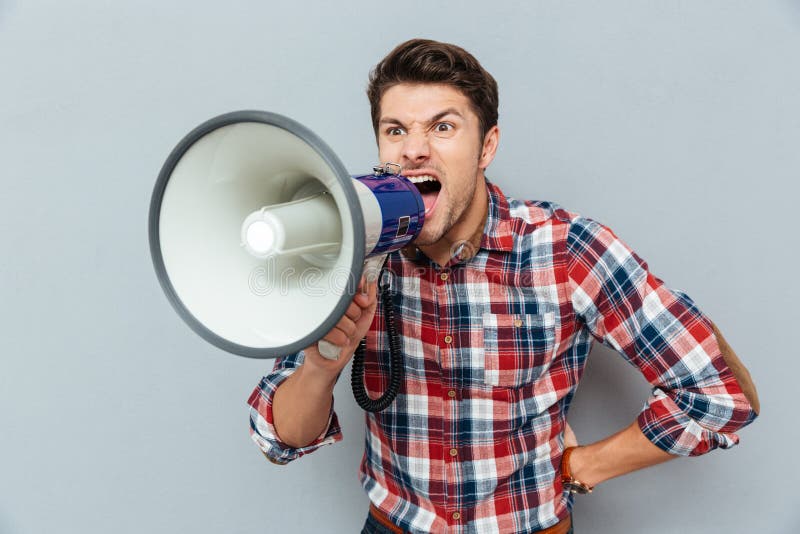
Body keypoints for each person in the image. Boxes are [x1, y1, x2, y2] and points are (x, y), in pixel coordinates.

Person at [247, 39, 759, 534]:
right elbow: (280, 437)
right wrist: (324, 363)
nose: (415, 150)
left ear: (487, 145)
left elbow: (720, 393)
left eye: (442, 127)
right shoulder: (351, 251)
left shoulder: (565, 249)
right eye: (395, 130)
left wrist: (588, 465)